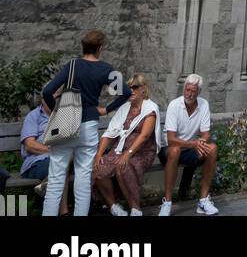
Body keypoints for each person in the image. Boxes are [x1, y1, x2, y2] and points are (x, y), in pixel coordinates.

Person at [41, 30, 121, 217]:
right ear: (100, 48)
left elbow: (47, 91)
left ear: (83, 47)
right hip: (89, 126)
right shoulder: (107, 69)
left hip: (67, 122)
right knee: (83, 180)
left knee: (55, 180)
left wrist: (56, 111)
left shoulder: (72, 65)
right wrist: (107, 109)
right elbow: (123, 92)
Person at [93, 74, 160, 217]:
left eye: (135, 87)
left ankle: (135, 208)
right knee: (99, 168)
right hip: (119, 149)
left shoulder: (150, 108)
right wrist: (99, 154)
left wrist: (128, 154)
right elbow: (110, 132)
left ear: (143, 89)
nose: (131, 90)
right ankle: (113, 206)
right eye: (128, 87)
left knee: (123, 166)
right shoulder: (124, 108)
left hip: (143, 151)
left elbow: (144, 136)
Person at [158, 75, 218, 216]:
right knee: (175, 151)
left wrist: (200, 143)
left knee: (213, 149)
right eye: (187, 89)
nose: (189, 94)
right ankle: (167, 202)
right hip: (168, 149)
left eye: (193, 91)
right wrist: (193, 144)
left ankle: (203, 200)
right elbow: (171, 140)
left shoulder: (203, 104)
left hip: (191, 148)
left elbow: (206, 134)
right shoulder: (174, 105)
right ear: (184, 88)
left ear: (198, 92)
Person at [19, 101, 69, 212]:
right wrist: (54, 151)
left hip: (63, 158)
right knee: (60, 166)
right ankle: (63, 211)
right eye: (51, 97)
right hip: (37, 162)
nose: (55, 100)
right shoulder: (33, 116)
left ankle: (47, 184)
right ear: (43, 99)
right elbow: (30, 145)